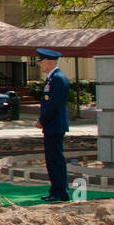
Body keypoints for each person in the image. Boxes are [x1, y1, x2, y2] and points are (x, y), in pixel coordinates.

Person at [35, 48, 70, 202]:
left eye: (41, 62)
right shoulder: (52, 78)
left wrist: (42, 120)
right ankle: (55, 190)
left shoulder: (58, 79)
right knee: (52, 160)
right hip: (52, 126)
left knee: (56, 160)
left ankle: (60, 192)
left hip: (55, 125)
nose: (40, 65)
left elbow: (53, 105)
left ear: (48, 63)